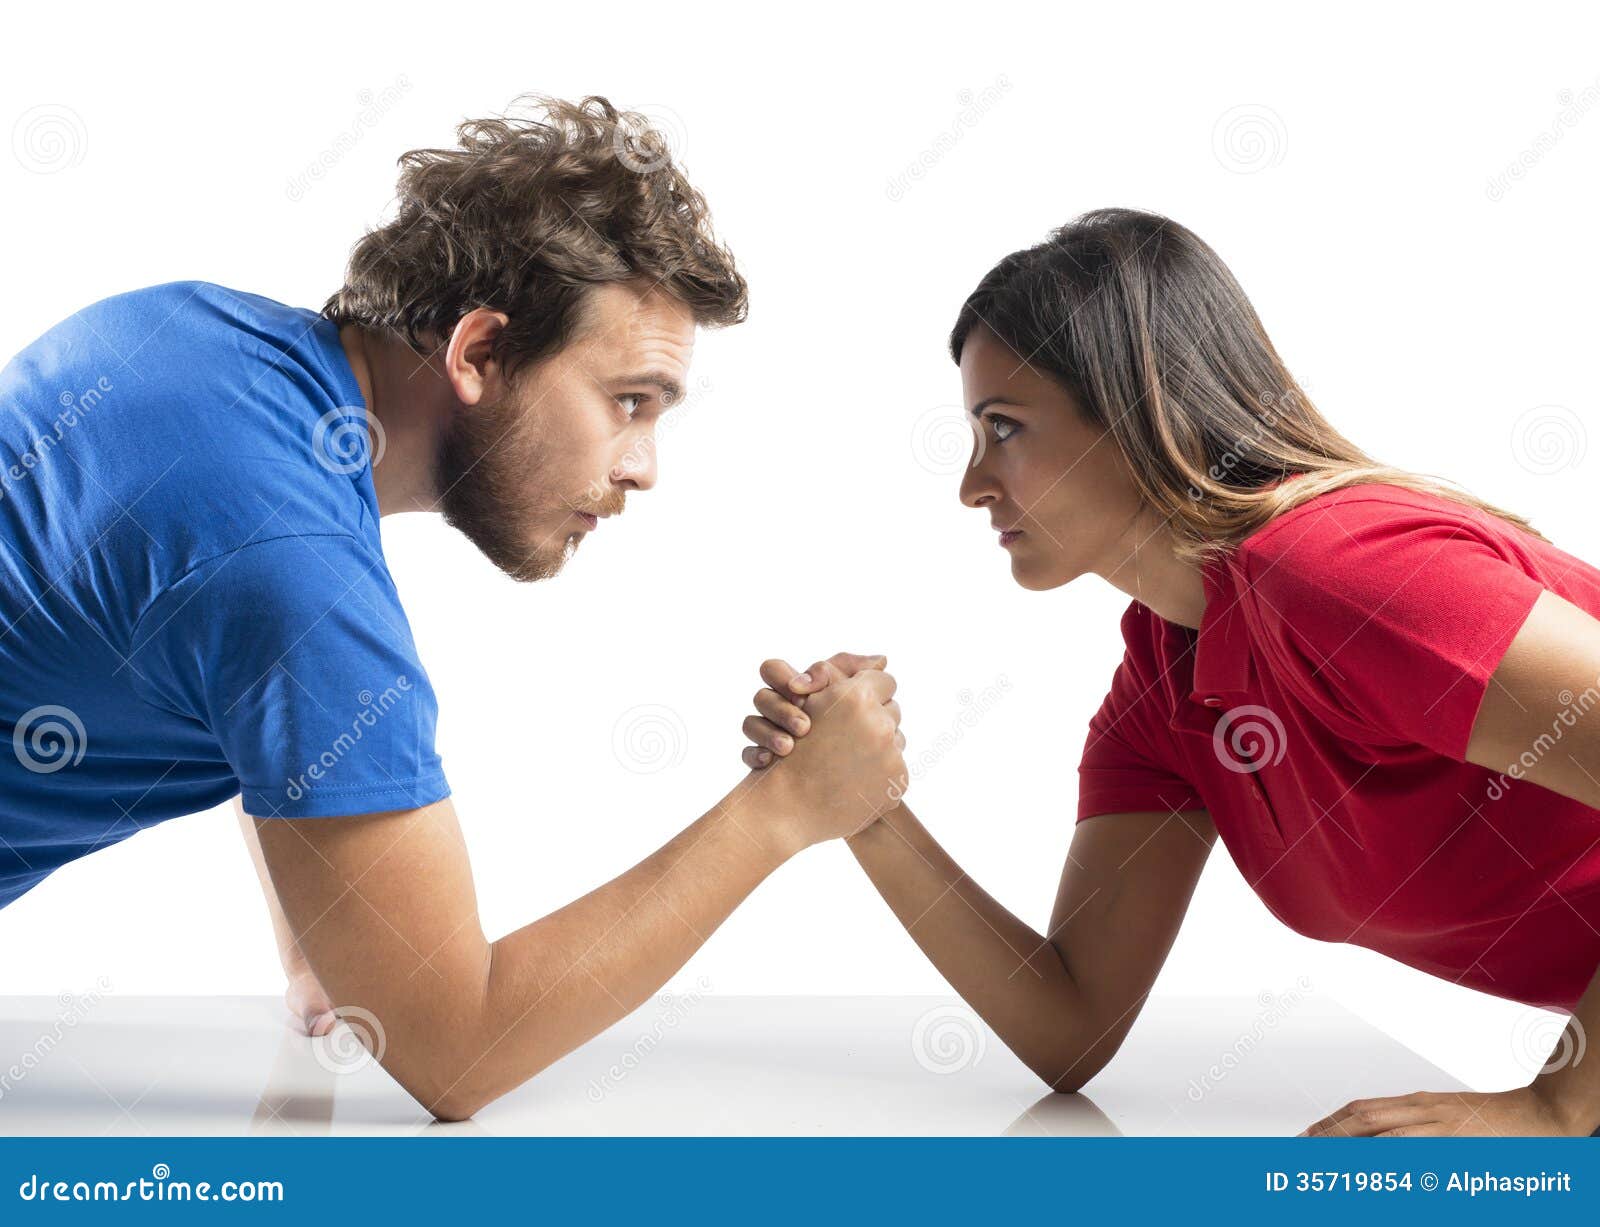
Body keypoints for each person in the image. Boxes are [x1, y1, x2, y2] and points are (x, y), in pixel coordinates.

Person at [0, 95, 906, 1121]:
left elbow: (210, 629)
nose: (644, 468)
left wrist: (332, 943)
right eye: (628, 401)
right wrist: (783, 813)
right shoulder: (299, 578)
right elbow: (457, 1051)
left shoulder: (187, 330)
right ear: (476, 353)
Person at [738, 207, 1600, 1137]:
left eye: (1005, 427)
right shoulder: (1167, 684)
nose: (972, 483)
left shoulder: (1342, 572)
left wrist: (1561, 1105)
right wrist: (866, 808)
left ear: (1135, 412)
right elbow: (1069, 1025)